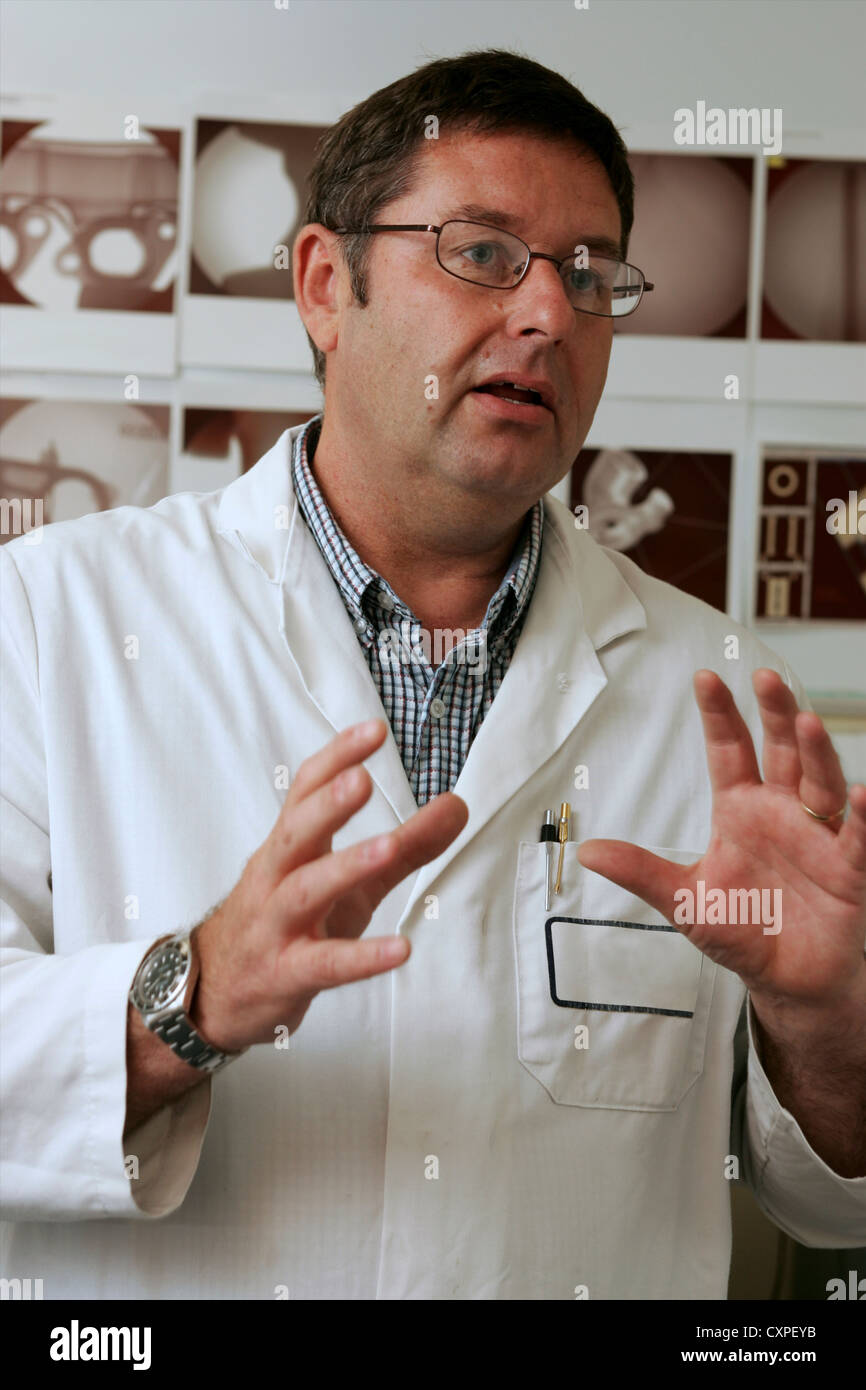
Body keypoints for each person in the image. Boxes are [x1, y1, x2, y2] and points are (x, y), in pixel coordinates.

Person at [1, 49, 864, 1302]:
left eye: (586, 273)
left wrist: (826, 1020)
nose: (546, 314)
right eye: (478, 252)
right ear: (321, 286)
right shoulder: (46, 618)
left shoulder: (722, 699)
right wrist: (186, 994)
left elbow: (818, 1197)